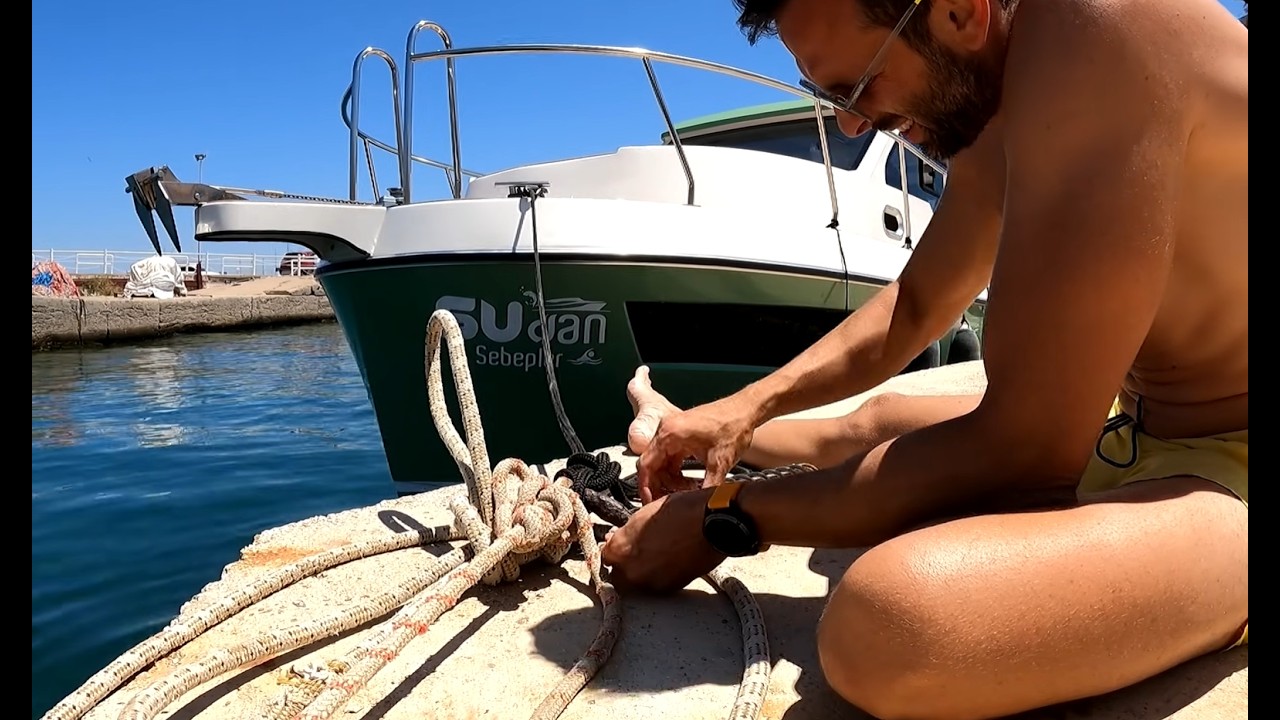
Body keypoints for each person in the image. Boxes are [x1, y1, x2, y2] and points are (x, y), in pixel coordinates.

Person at [599, 0, 1248, 718]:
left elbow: (1029, 447)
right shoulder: (996, 81)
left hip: (1233, 479)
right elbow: (916, 305)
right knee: (877, 419)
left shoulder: (1098, 32)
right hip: (1145, 435)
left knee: (887, 628)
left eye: (857, 88)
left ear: (958, 11)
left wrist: (723, 516)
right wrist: (743, 409)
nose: (847, 122)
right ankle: (679, 427)